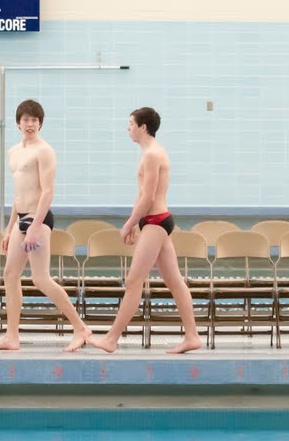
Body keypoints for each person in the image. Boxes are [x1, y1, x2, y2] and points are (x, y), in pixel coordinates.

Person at [83, 107, 202, 354]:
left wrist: (128, 224)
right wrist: (136, 222)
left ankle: (111, 338)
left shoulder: (152, 154)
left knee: (134, 280)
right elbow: (142, 195)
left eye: (130, 124)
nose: (128, 128)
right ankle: (192, 336)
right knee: (174, 281)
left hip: (156, 221)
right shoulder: (151, 152)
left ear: (143, 127)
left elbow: (148, 197)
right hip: (154, 221)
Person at [0, 100, 90, 352]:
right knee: (10, 275)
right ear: (18, 122)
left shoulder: (45, 151)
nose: (29, 124)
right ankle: (11, 336)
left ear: (40, 123)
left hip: (38, 219)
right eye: (25, 119)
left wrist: (34, 226)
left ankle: (80, 327)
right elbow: (18, 195)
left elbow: (48, 191)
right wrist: (10, 228)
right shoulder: (14, 152)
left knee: (41, 279)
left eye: (34, 120)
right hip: (21, 217)